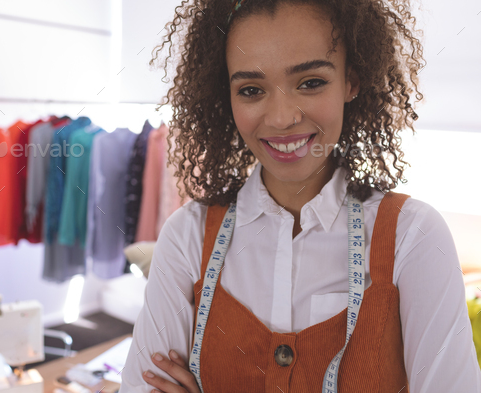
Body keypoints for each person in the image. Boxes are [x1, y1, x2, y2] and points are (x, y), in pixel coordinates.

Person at [119, 0, 481, 392]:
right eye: (251, 89)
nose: (281, 117)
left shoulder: (414, 237)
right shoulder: (186, 237)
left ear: (351, 81)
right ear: (227, 97)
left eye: (310, 82)